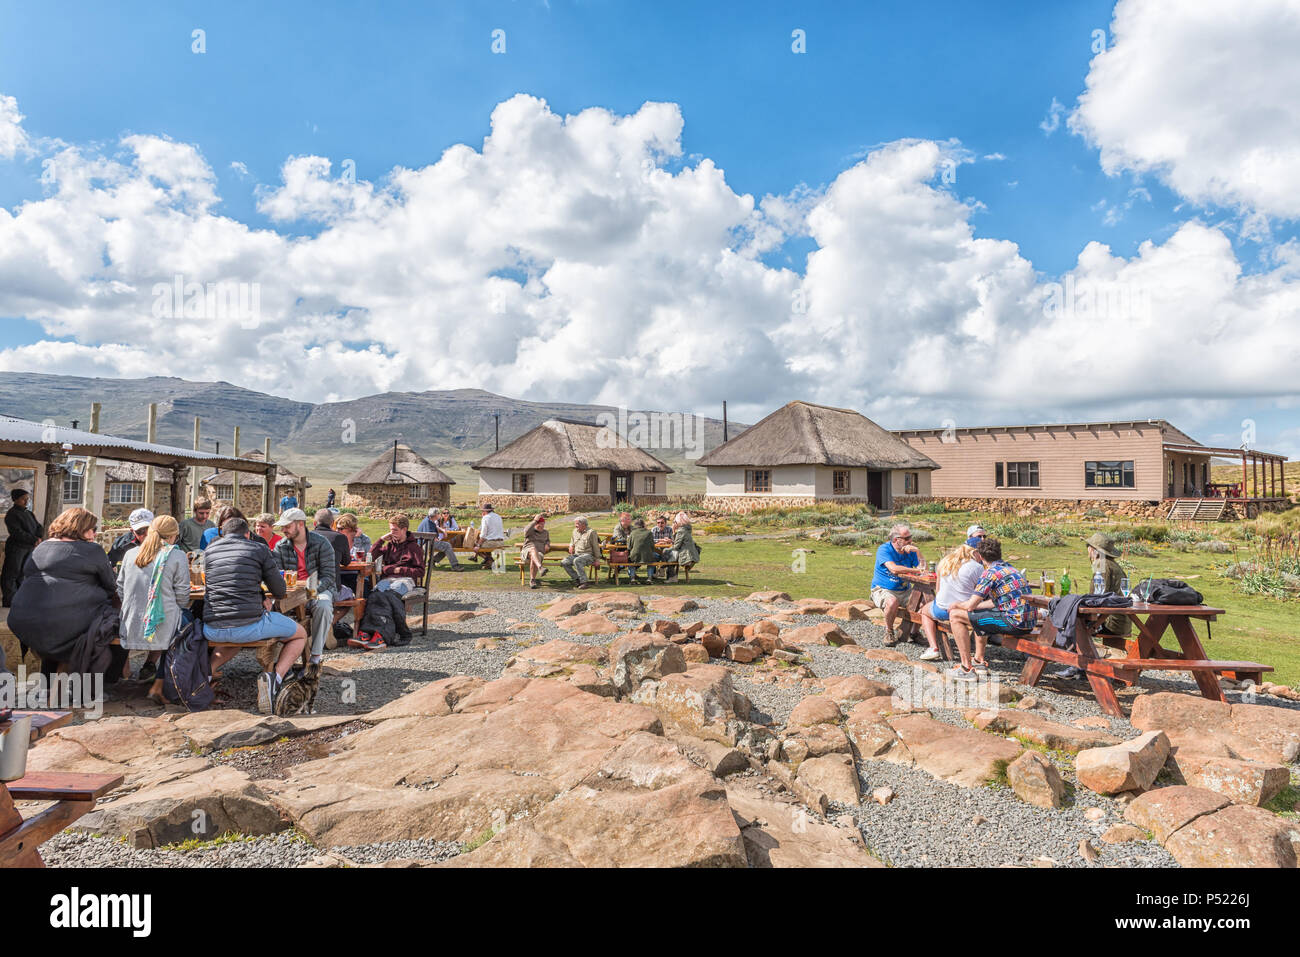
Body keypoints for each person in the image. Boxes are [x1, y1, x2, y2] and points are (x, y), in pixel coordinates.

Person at [203, 516, 307, 713]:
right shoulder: (258, 549)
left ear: (223, 535)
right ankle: (274, 679)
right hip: (248, 625)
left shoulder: (209, 551)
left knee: (233, 635)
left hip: (212, 628)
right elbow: (278, 590)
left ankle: (203, 678)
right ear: (248, 534)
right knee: (300, 633)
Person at [7, 507, 122, 679]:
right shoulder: (93, 550)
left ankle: (49, 684)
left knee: (63, 621)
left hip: (23, 621)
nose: (94, 533)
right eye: (92, 529)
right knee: (112, 624)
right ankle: (105, 679)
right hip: (63, 625)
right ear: (79, 528)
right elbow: (111, 585)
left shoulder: (41, 547)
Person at [947, 537, 1035, 682]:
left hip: (1014, 623)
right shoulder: (1011, 569)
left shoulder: (990, 573)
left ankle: (966, 668)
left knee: (956, 616)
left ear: (980, 557)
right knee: (979, 614)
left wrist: (957, 604)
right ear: (999, 553)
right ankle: (978, 661)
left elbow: (970, 605)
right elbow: (994, 603)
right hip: (1027, 621)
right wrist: (968, 606)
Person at [117, 514, 189, 682]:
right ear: (173, 536)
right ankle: (163, 679)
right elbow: (183, 595)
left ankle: (139, 669)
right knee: (191, 623)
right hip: (162, 627)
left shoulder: (130, 554)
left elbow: (120, 588)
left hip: (130, 624)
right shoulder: (177, 556)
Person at [1054, 532, 1133, 679]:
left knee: (1073, 624)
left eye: (1088, 547)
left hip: (1111, 622)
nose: (1087, 550)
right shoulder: (1113, 565)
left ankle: (1079, 666)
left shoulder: (1101, 565)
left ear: (1093, 550)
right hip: (1120, 620)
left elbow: (1097, 597)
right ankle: (1082, 665)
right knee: (1075, 621)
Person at [271, 508, 338, 667]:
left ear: (300, 524)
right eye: (283, 527)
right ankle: (274, 657)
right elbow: (277, 575)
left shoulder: (321, 543)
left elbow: (328, 576)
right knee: (270, 607)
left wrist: (311, 592)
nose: (283, 530)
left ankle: (315, 655)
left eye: (287, 526)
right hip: (291, 592)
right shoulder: (280, 546)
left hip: (316, 589)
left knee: (323, 605)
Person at [918, 538, 983, 662]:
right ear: (975, 552)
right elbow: (980, 593)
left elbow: (938, 588)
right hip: (964, 610)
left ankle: (933, 647)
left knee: (925, 611)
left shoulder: (946, 561)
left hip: (942, 609)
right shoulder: (977, 568)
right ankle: (978, 654)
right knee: (981, 610)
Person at [871, 523, 923, 645]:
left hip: (905, 590)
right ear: (896, 539)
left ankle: (914, 632)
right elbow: (894, 569)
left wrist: (918, 552)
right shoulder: (884, 549)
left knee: (925, 602)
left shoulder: (910, 551)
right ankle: (889, 632)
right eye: (906, 538)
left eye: (910, 536)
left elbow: (923, 569)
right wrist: (916, 571)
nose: (910, 540)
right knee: (892, 602)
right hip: (884, 589)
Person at [2, 488, 44, 605]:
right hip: (16, 548)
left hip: (29, 547)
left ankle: (19, 599)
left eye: (27, 499)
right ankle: (9, 600)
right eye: (23, 499)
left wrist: (39, 537)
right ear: (15, 500)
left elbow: (38, 527)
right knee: (11, 574)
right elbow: (17, 532)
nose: (26, 502)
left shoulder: (28, 513)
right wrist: (34, 539)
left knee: (22, 573)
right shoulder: (12, 514)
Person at [371, 514, 425, 596]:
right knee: (375, 593)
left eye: (395, 530)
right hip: (388, 579)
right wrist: (381, 540)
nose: (392, 533)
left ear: (404, 530)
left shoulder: (414, 548)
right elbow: (370, 556)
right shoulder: (390, 545)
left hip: (406, 580)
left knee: (391, 593)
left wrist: (399, 570)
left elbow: (420, 572)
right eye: (391, 530)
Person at [418, 507, 463, 571]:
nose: (439, 514)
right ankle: (455, 566)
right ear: (435, 515)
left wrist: (441, 530)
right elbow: (429, 536)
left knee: (447, 547)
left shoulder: (429, 520)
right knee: (447, 546)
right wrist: (437, 538)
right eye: (438, 513)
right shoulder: (428, 522)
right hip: (425, 544)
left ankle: (432, 562)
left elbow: (435, 527)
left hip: (427, 542)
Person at [661, 511, 700, 583]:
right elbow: (679, 543)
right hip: (691, 553)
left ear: (679, 521)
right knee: (670, 553)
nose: (674, 523)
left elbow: (676, 546)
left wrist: (673, 531)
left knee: (666, 552)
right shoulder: (687, 529)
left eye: (675, 521)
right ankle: (664, 569)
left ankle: (667, 573)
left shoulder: (681, 531)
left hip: (686, 555)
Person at [563, 516, 600, 588]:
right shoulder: (574, 531)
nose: (575, 525)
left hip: (589, 555)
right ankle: (577, 579)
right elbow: (572, 541)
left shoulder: (591, 532)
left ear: (583, 524)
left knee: (577, 561)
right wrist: (571, 545)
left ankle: (584, 582)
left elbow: (596, 546)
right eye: (575, 524)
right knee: (564, 562)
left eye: (577, 524)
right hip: (577, 554)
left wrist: (597, 559)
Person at [520, 513, 550, 589]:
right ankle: (540, 568)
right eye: (539, 524)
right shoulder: (530, 531)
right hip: (526, 552)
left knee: (536, 556)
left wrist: (547, 544)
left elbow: (547, 540)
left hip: (538, 554)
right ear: (535, 524)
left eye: (543, 524)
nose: (541, 526)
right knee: (533, 549)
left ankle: (532, 580)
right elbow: (525, 530)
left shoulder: (545, 532)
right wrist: (534, 520)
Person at [626, 518, 657, 585]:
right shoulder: (649, 533)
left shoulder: (633, 533)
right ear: (643, 525)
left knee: (630, 560)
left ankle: (632, 578)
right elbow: (652, 546)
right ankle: (649, 578)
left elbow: (629, 547)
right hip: (648, 556)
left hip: (635, 556)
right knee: (652, 560)